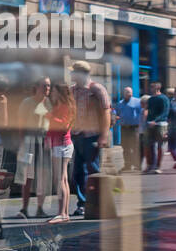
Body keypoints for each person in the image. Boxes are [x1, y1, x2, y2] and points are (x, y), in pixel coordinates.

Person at [70, 60, 110, 218]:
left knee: (93, 170)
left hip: (92, 135)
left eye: (73, 72)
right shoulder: (72, 90)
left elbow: (106, 112)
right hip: (76, 135)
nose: (71, 75)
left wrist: (104, 135)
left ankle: (98, 203)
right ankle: (82, 204)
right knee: (78, 172)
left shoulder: (96, 89)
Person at [17, 77, 52, 219]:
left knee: (42, 176)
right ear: (37, 87)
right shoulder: (27, 102)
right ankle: (24, 208)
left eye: (49, 86)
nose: (47, 88)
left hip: (44, 140)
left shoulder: (49, 103)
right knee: (27, 176)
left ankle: (40, 208)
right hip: (29, 139)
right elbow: (20, 124)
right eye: (45, 85)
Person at [46, 83, 76, 224]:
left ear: (60, 93)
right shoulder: (59, 106)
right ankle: (64, 213)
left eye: (54, 91)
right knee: (62, 179)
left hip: (62, 144)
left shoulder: (64, 107)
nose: (52, 93)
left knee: (60, 179)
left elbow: (63, 126)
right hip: (60, 144)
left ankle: (62, 213)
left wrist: (49, 116)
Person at [112, 85, 143, 173]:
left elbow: (142, 113)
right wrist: (115, 117)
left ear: (132, 93)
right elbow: (116, 113)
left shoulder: (137, 102)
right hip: (124, 128)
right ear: (123, 93)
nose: (128, 94)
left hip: (134, 128)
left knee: (135, 147)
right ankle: (127, 165)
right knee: (125, 148)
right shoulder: (120, 103)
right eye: (126, 92)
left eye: (129, 92)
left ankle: (137, 165)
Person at [144, 82, 171, 173]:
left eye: (152, 87)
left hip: (161, 125)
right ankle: (150, 165)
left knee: (160, 146)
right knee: (148, 145)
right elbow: (149, 111)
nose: (150, 88)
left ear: (158, 88)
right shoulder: (151, 99)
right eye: (150, 86)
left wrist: (155, 121)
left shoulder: (164, 98)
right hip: (150, 124)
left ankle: (158, 167)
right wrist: (147, 121)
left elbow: (165, 112)